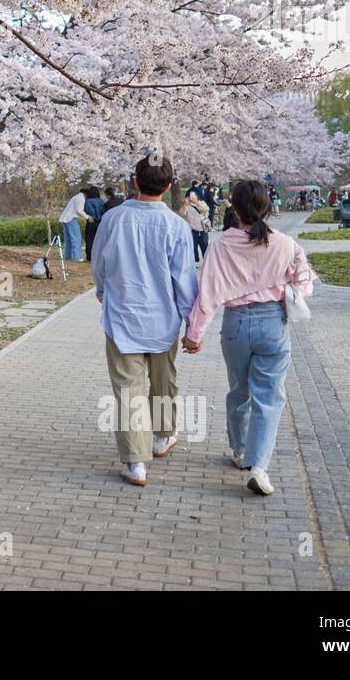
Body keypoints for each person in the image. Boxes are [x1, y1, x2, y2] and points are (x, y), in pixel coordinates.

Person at [182, 179, 313, 497]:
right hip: (272, 324)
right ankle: (259, 467)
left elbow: (207, 294)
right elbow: (305, 281)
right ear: (267, 207)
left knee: (239, 391)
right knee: (270, 397)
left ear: (234, 208)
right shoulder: (285, 244)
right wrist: (290, 291)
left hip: (236, 325)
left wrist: (194, 335)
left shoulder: (220, 245)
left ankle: (240, 451)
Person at [92, 154, 198, 487]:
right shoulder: (177, 226)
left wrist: (101, 289)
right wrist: (192, 325)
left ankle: (136, 463)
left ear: (135, 181)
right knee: (164, 379)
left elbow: (99, 262)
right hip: (164, 319)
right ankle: (164, 435)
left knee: (127, 389)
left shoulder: (113, 219)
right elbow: (184, 280)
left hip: (122, 317)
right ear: (168, 187)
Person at [59, 186, 87, 262]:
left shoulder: (76, 197)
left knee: (68, 239)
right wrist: (88, 217)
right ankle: (76, 257)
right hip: (71, 219)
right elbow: (79, 210)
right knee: (76, 238)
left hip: (65, 219)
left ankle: (68, 256)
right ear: (86, 193)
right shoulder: (81, 198)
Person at [182, 189, 210, 264]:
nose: (191, 197)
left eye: (193, 195)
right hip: (193, 230)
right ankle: (196, 261)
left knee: (204, 247)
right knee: (193, 247)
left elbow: (206, 209)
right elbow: (182, 214)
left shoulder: (202, 203)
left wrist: (197, 203)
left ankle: (206, 262)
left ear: (197, 196)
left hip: (203, 229)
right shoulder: (187, 206)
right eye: (190, 196)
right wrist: (185, 204)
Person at [83, 187, 106, 259]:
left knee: (89, 240)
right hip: (100, 222)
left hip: (90, 221)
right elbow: (104, 211)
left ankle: (89, 256)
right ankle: (99, 256)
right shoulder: (101, 201)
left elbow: (86, 211)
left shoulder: (87, 201)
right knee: (99, 240)